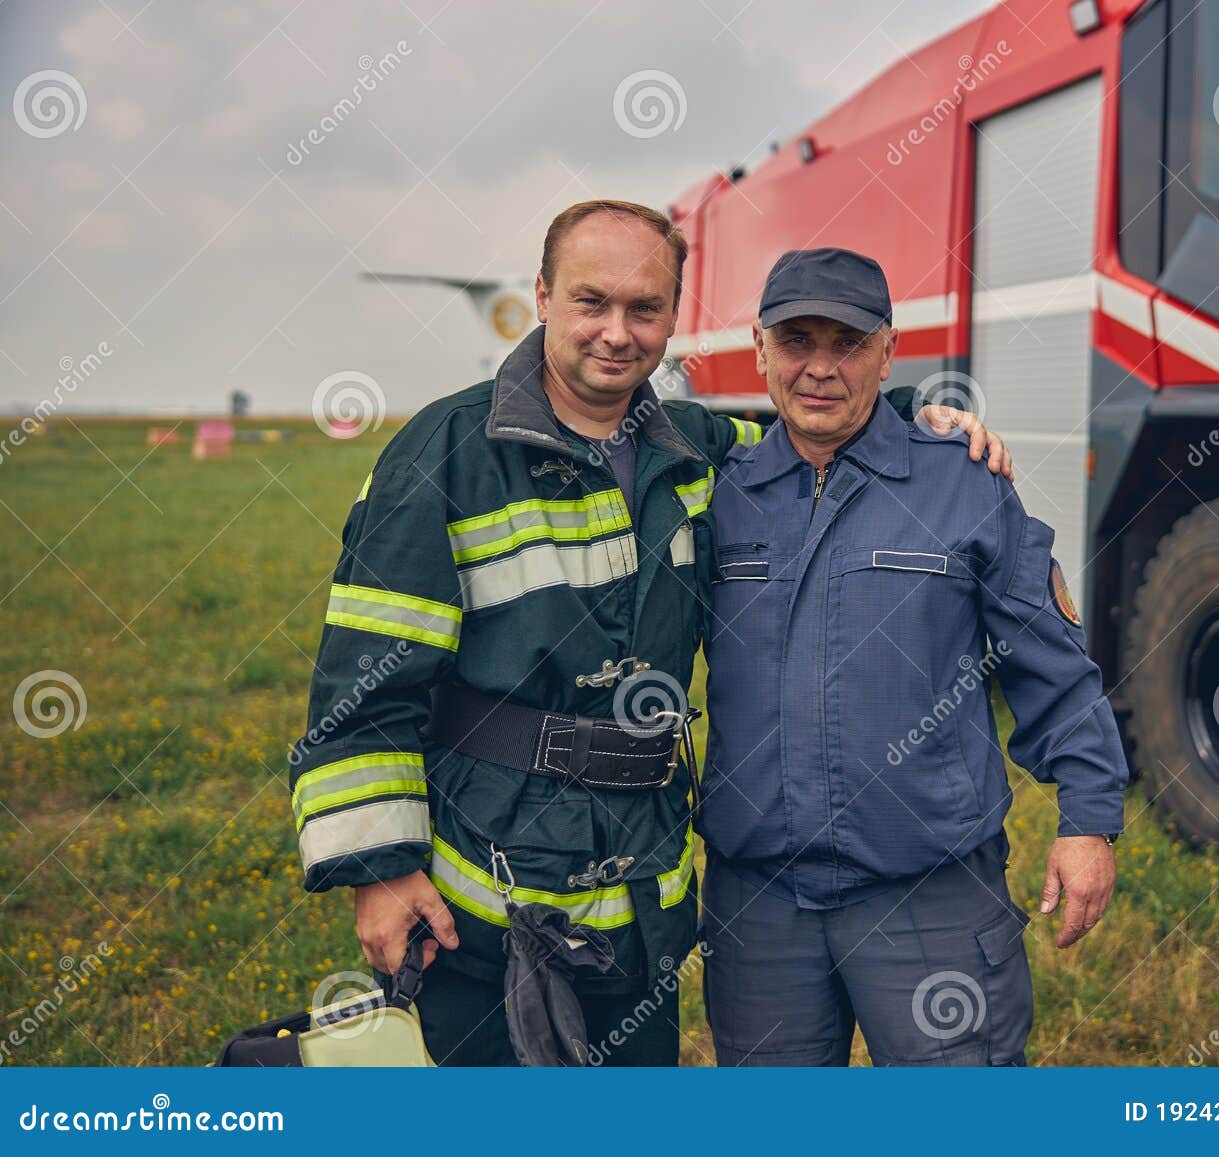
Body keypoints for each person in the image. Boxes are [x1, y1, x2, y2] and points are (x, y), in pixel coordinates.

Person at [286, 202, 1010, 1065]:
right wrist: (379, 870)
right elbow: (364, 683)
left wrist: (925, 425)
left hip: (642, 897)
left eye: (645, 309)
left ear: (675, 316)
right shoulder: (445, 453)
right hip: (484, 893)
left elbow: (814, 424)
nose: (618, 334)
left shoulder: (698, 448)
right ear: (544, 297)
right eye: (592, 303)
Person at [697, 247, 1129, 1066]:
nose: (820, 367)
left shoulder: (963, 483)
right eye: (797, 341)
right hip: (760, 904)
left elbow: (1052, 662)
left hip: (929, 894)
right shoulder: (719, 491)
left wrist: (1089, 821)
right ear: (759, 348)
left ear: (889, 352)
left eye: (848, 343)